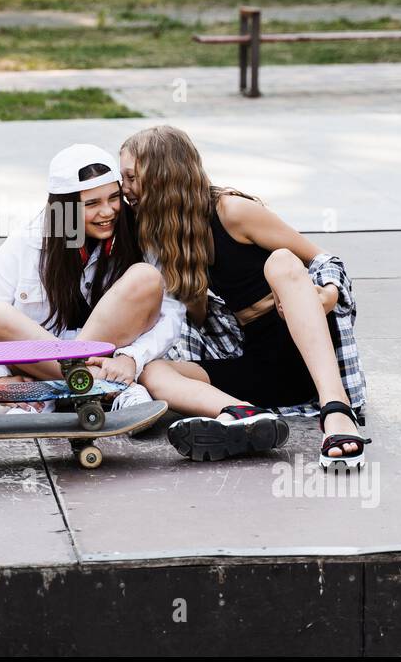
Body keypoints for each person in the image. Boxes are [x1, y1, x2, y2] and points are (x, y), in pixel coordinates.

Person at [119, 125, 370, 468]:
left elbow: (322, 259)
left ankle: (337, 412)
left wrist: (326, 294)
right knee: (153, 371)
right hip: (258, 361)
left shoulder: (231, 211)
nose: (126, 189)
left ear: (161, 172)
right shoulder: (164, 235)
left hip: (304, 340)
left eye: (131, 177)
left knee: (282, 261)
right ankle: (244, 416)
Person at [0, 143, 184, 410]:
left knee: (146, 277)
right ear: (64, 207)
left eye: (114, 197)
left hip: (110, 358)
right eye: (91, 203)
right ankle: (102, 389)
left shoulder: (138, 234)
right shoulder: (28, 240)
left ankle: (62, 391)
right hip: (42, 362)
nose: (107, 211)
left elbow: (171, 313)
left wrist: (132, 358)